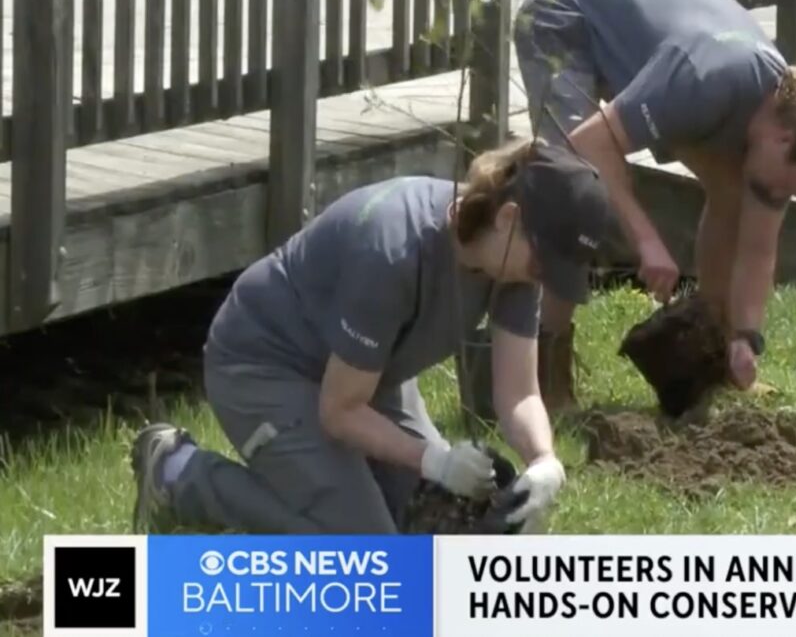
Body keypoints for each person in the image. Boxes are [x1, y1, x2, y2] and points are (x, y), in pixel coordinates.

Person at [128, 138, 615, 534]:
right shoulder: (393, 247)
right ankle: (177, 471)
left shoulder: (512, 267)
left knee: (432, 520)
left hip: (367, 375)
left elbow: (519, 393)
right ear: (509, 220)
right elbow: (339, 410)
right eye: (543, 264)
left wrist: (544, 461)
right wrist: (434, 460)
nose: (543, 280)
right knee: (365, 553)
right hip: (264, 365)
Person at [512, 0, 796, 413]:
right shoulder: (707, 80)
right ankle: (544, 377)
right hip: (565, 18)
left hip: (655, 57)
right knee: (574, 188)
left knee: (734, 194)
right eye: (783, 184)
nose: (776, 194)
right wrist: (647, 242)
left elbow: (758, 248)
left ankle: (717, 349)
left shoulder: (778, 120)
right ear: (782, 139)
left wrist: (745, 337)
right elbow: (588, 146)